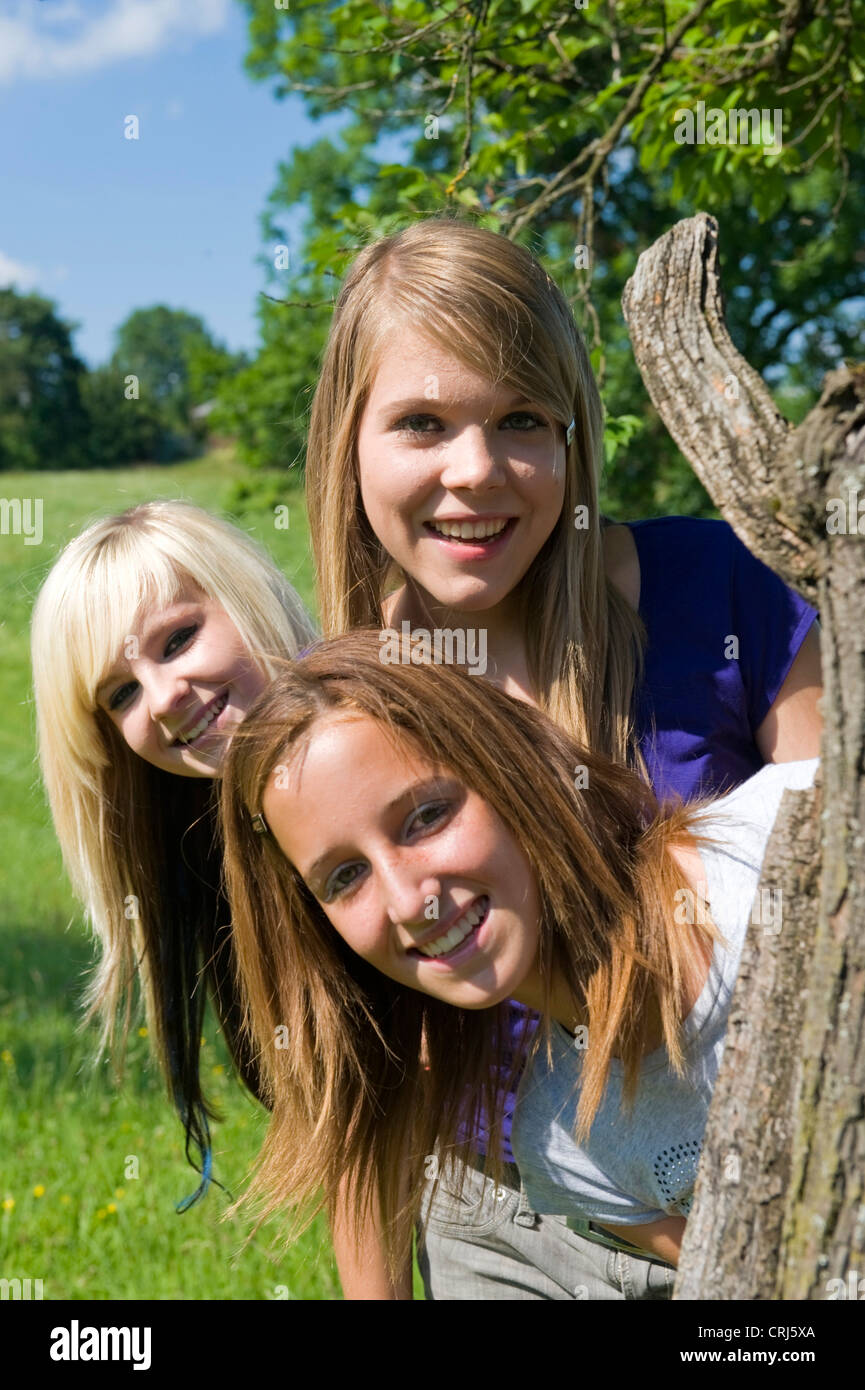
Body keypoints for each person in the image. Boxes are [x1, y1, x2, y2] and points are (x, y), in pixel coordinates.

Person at [302, 217, 823, 1297]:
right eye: (421, 423)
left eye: (521, 420)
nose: (476, 471)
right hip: (500, 1218)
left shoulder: (728, 590)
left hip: (761, 1188)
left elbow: (835, 936)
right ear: (348, 445)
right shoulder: (345, 723)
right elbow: (361, 1083)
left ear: (575, 437)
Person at [219, 632, 819, 1299]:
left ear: (510, 768)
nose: (407, 899)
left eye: (425, 816)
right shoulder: (560, 1149)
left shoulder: (781, 852)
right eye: (345, 876)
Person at [30, 500, 316, 1205]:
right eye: (122, 692)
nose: (161, 698)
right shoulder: (235, 848)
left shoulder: (393, 739)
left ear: (247, 595)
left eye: (178, 639)